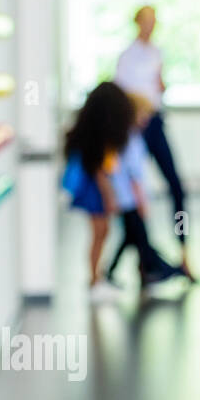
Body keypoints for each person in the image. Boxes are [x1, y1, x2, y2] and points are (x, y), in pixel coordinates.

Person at [114, 5, 197, 280]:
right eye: (146, 21)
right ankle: (142, 260)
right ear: (137, 23)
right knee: (134, 192)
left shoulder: (157, 53)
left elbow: (158, 85)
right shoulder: (127, 57)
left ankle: (183, 251)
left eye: (154, 21)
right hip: (135, 129)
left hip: (155, 122)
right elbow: (123, 95)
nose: (150, 26)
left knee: (177, 187)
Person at [103, 92, 187, 292]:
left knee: (130, 238)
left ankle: (114, 272)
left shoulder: (129, 137)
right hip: (130, 199)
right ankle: (162, 270)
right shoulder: (130, 139)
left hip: (127, 199)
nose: (147, 119)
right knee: (140, 240)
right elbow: (133, 177)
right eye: (144, 114)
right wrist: (142, 202)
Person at [62, 81, 135, 302]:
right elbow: (99, 171)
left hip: (92, 188)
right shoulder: (98, 135)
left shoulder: (89, 130)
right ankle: (94, 281)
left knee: (101, 233)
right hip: (94, 190)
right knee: (100, 232)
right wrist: (110, 196)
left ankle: (97, 278)